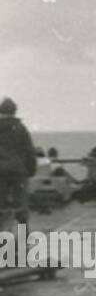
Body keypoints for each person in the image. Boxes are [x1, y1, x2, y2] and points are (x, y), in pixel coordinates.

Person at [0, 97, 37, 226]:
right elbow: (30, 152)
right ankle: (23, 238)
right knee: (21, 207)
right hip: (18, 172)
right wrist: (31, 170)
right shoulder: (21, 128)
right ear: (14, 111)